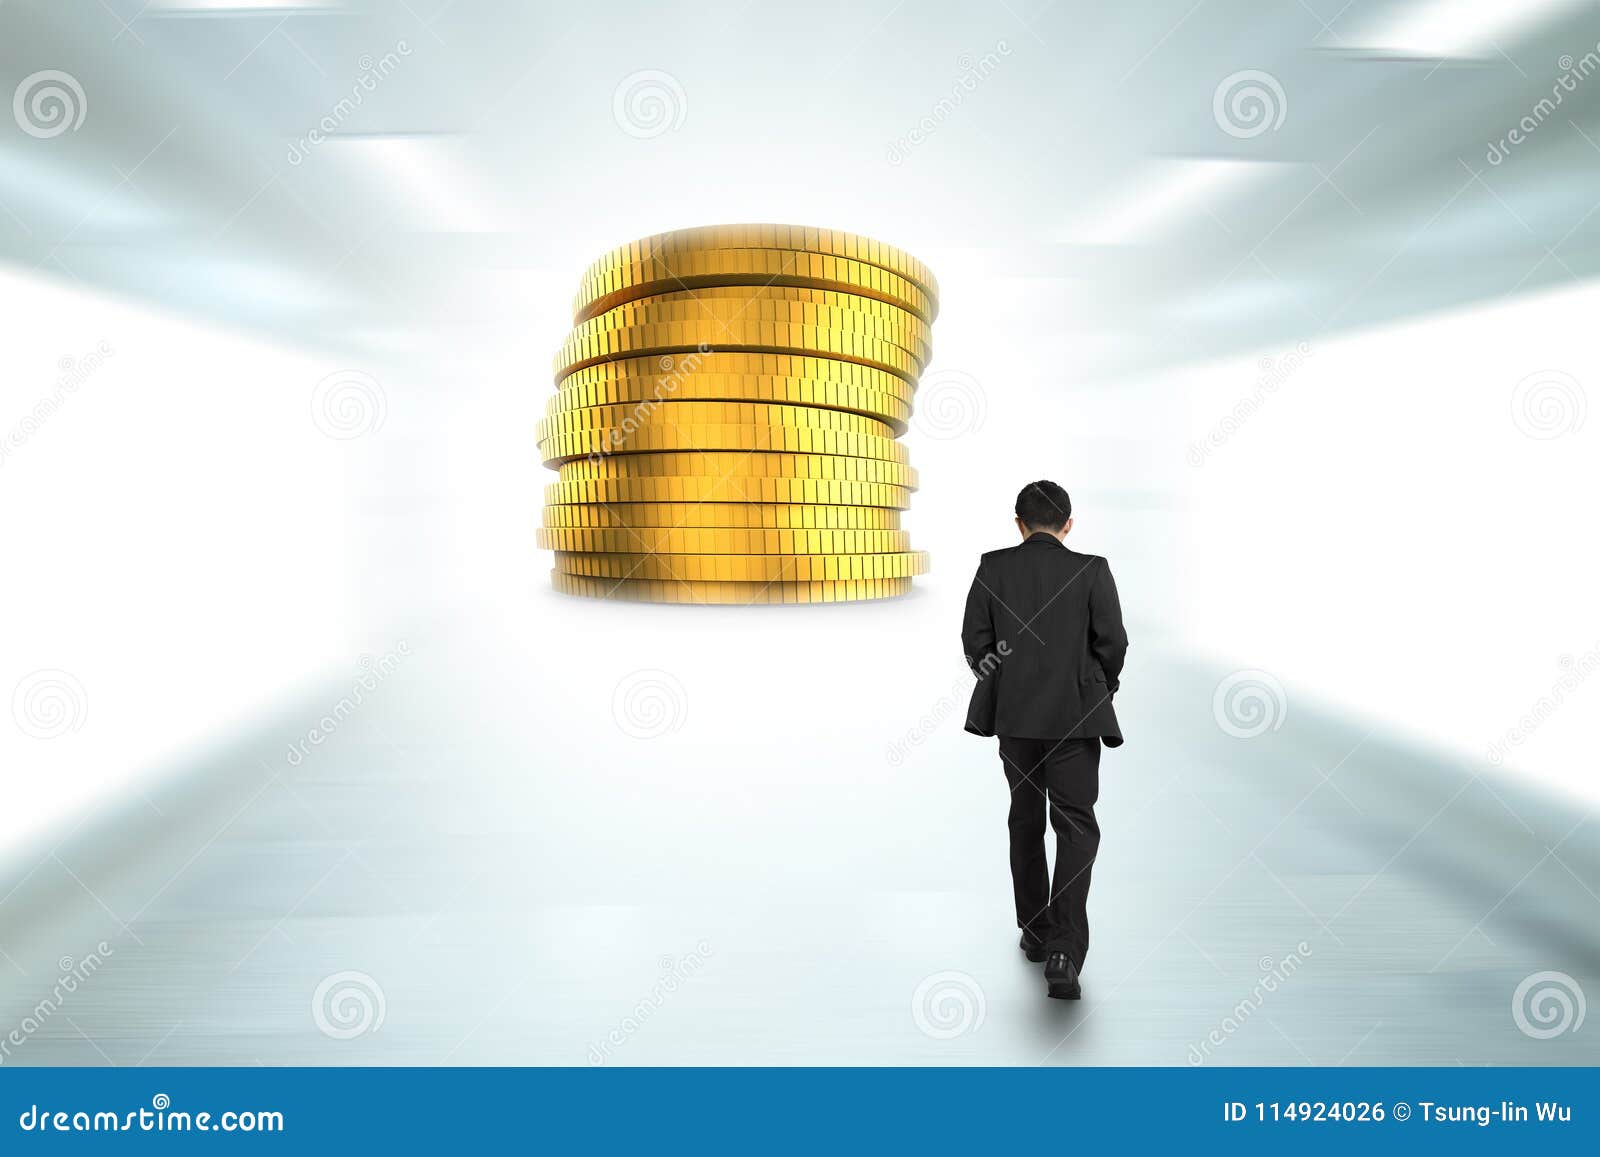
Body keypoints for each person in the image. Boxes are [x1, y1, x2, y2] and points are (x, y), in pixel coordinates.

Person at [960, 481, 1128, 999]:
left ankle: (1035, 931)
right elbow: (1113, 642)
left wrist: (1004, 683)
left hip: (1015, 720)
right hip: (1076, 719)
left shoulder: (993, 567)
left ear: (1019, 524)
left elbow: (975, 642)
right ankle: (1064, 950)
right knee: (1076, 827)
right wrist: (1098, 685)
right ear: (1068, 525)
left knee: (1025, 820)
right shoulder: (1092, 569)